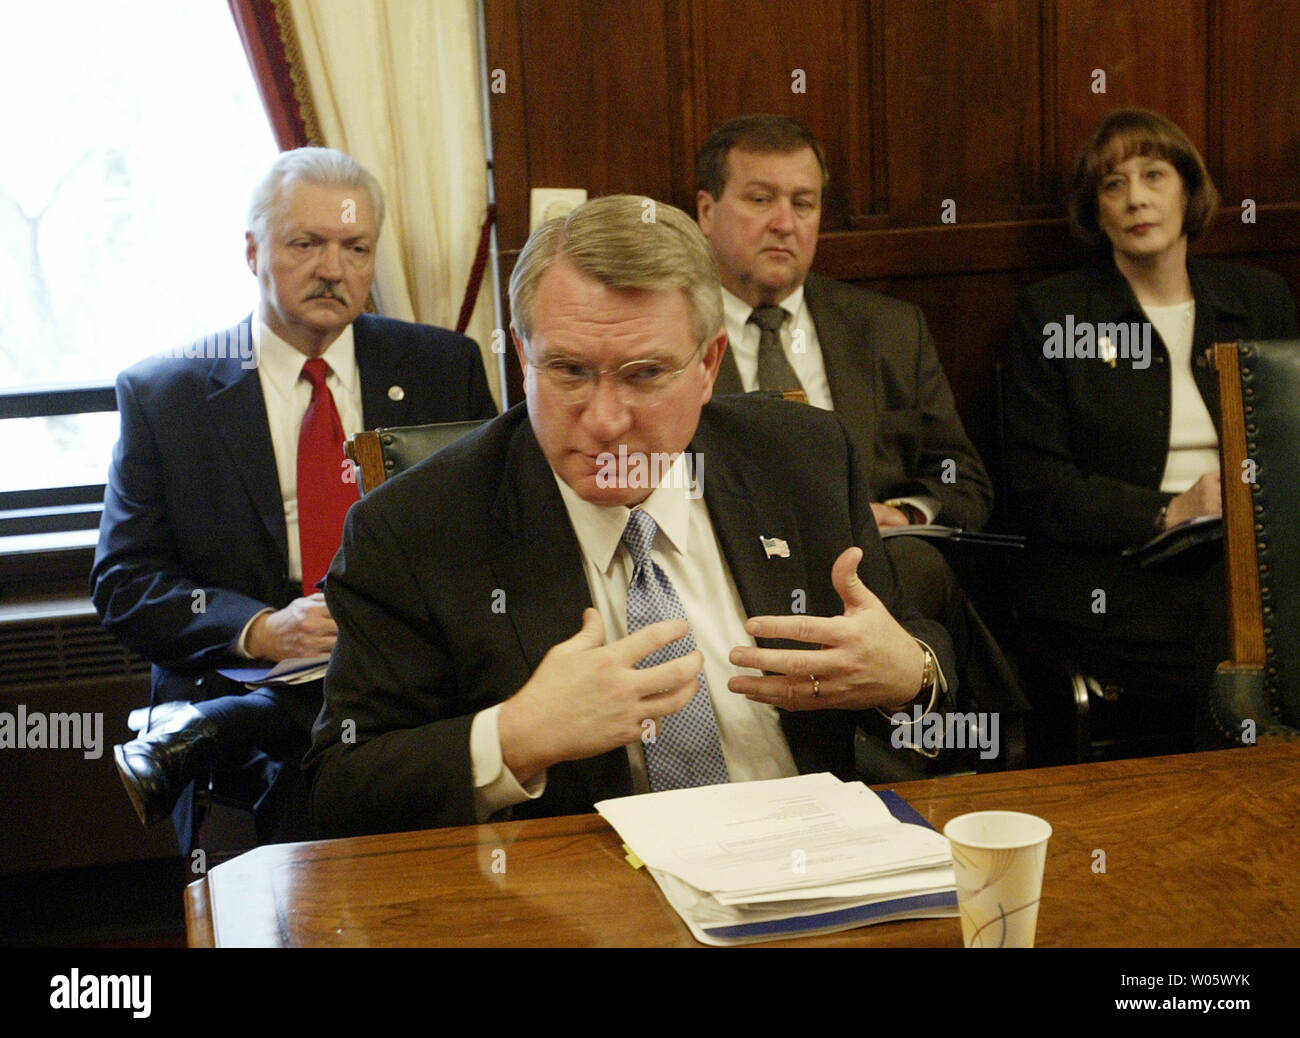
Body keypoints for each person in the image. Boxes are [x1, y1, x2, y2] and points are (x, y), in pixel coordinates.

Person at [305, 195, 956, 838]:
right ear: (523, 359)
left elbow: (914, 661)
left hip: (809, 870)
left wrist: (913, 674)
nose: (606, 420)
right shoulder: (413, 529)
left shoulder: (802, 458)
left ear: (708, 365)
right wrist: (514, 738)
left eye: (644, 374)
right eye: (569, 371)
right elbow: (338, 789)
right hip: (578, 907)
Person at [93, 147, 497, 847]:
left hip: (407, 662)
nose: (333, 270)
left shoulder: (441, 366)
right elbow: (126, 583)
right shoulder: (169, 394)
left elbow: (497, 530)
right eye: (306, 244)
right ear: (253, 251)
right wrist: (260, 629)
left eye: (355, 248)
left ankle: (215, 731)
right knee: (308, 777)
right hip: (247, 665)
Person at [695, 114, 1020, 762]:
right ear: (706, 210)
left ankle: (965, 751)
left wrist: (897, 513)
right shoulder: (675, 342)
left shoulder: (886, 330)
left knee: (917, 569)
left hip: (881, 593)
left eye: (804, 202)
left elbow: (965, 479)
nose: (784, 221)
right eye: (760, 199)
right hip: (736, 595)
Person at [1004, 108, 1298, 748]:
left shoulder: (1260, 299)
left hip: (1253, 556)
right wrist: (1170, 509)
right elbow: (1039, 483)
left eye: (1154, 175)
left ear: (1188, 190)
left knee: (1252, 611)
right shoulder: (1055, 314)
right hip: (1113, 572)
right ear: (1096, 210)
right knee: (1233, 635)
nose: (1136, 197)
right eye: (1113, 184)